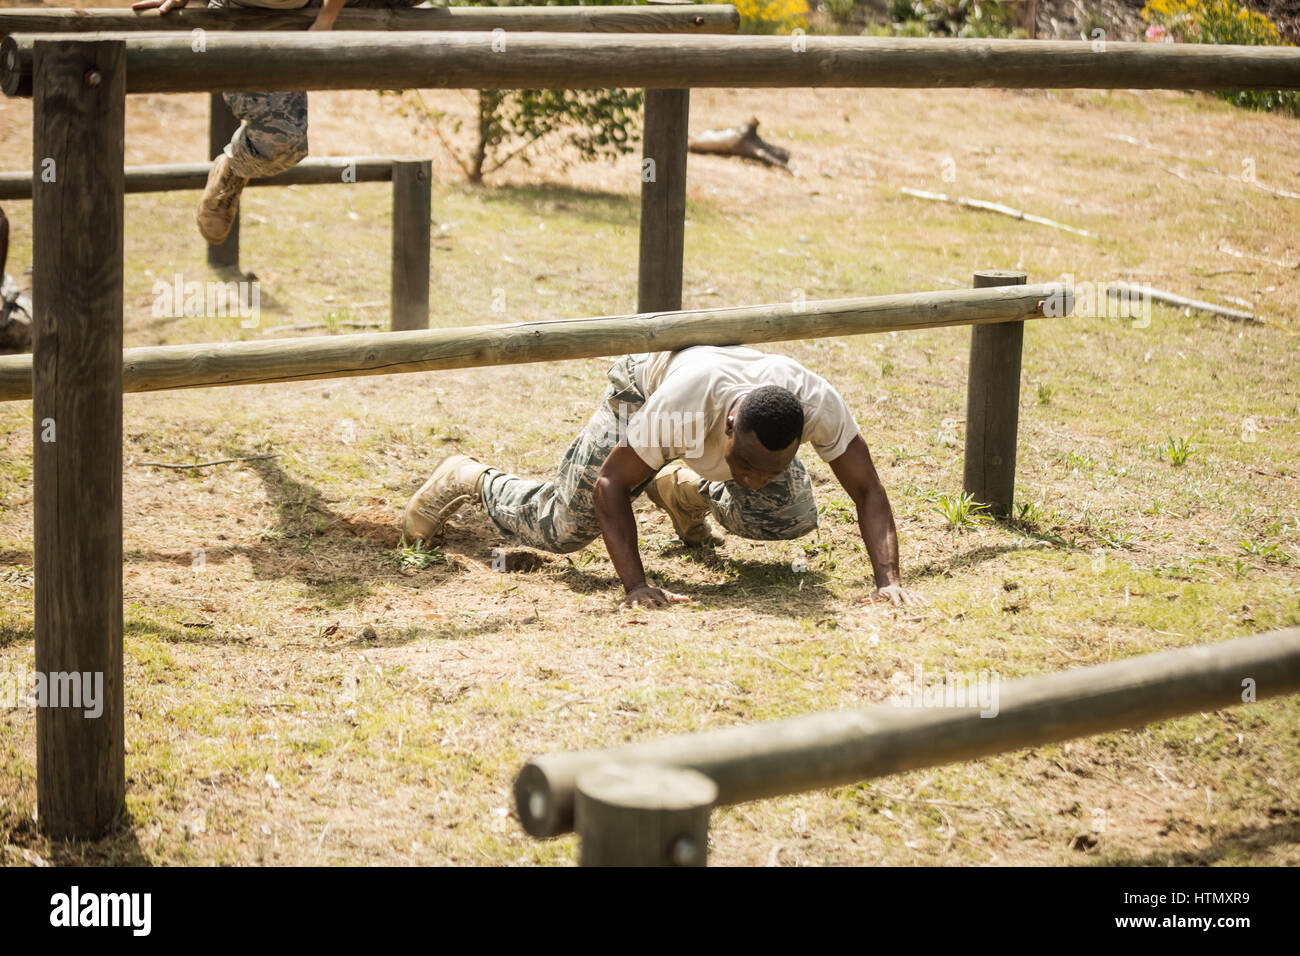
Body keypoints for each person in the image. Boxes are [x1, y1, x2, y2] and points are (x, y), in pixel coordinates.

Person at [404, 346, 925, 610]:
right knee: (564, 527)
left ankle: (682, 489)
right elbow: (610, 484)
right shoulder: (681, 409)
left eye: (771, 469)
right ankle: (468, 477)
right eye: (743, 466)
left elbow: (867, 489)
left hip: (703, 411)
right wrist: (636, 585)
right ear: (727, 426)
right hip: (647, 384)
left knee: (788, 513)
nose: (750, 480)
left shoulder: (815, 403)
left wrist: (889, 582)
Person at [130, 0, 404, 243]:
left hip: (309, 7)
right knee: (282, 142)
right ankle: (233, 169)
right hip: (242, 16)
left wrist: (326, 19)